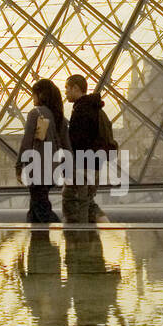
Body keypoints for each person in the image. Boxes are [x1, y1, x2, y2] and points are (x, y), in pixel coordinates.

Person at [63, 73, 115, 225]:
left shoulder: (82, 110)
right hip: (96, 165)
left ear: (76, 88)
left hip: (83, 167)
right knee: (88, 203)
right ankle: (110, 230)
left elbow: (77, 142)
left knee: (74, 204)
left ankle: (80, 241)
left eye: (67, 88)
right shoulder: (97, 109)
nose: (65, 92)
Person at [15, 78, 68, 225]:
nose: (33, 98)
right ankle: (37, 244)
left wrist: (19, 165)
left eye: (34, 94)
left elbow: (26, 142)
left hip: (37, 168)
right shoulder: (60, 118)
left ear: (41, 95)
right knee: (34, 210)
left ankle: (69, 234)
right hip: (54, 169)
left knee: (41, 208)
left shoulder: (35, 113)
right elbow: (67, 147)